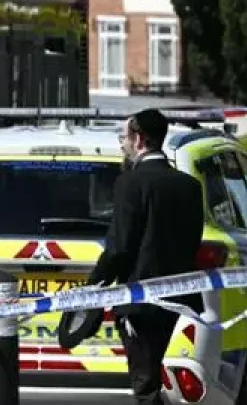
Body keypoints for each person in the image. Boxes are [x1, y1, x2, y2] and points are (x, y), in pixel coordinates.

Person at [85, 109, 206, 405]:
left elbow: (120, 247)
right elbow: (193, 242)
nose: (123, 145)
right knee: (163, 385)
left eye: (124, 138)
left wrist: (93, 286)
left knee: (145, 385)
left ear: (139, 139)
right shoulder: (190, 186)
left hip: (140, 304)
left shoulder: (130, 183)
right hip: (181, 302)